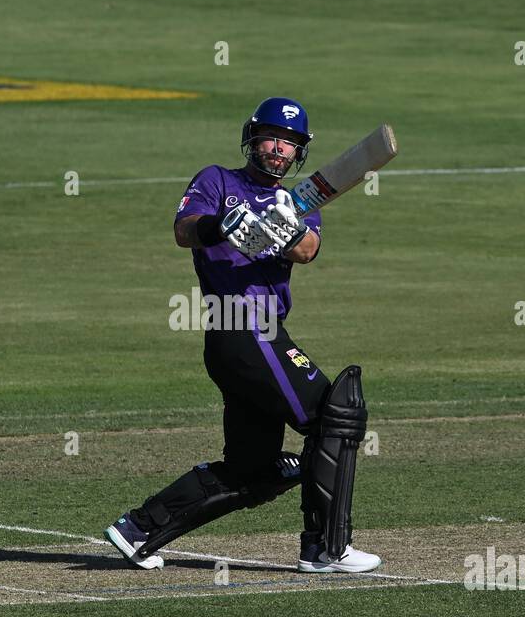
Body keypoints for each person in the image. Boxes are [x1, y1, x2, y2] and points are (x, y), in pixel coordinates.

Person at [104, 97, 380, 573]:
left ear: (299, 153)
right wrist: (222, 227)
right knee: (333, 417)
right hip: (241, 325)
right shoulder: (217, 180)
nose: (279, 149)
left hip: (257, 334)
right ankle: (326, 549)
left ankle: (138, 529)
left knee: (252, 470)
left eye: (290, 143)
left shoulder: (298, 203)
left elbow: (309, 249)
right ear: (253, 139)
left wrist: (284, 230)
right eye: (272, 137)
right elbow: (184, 231)